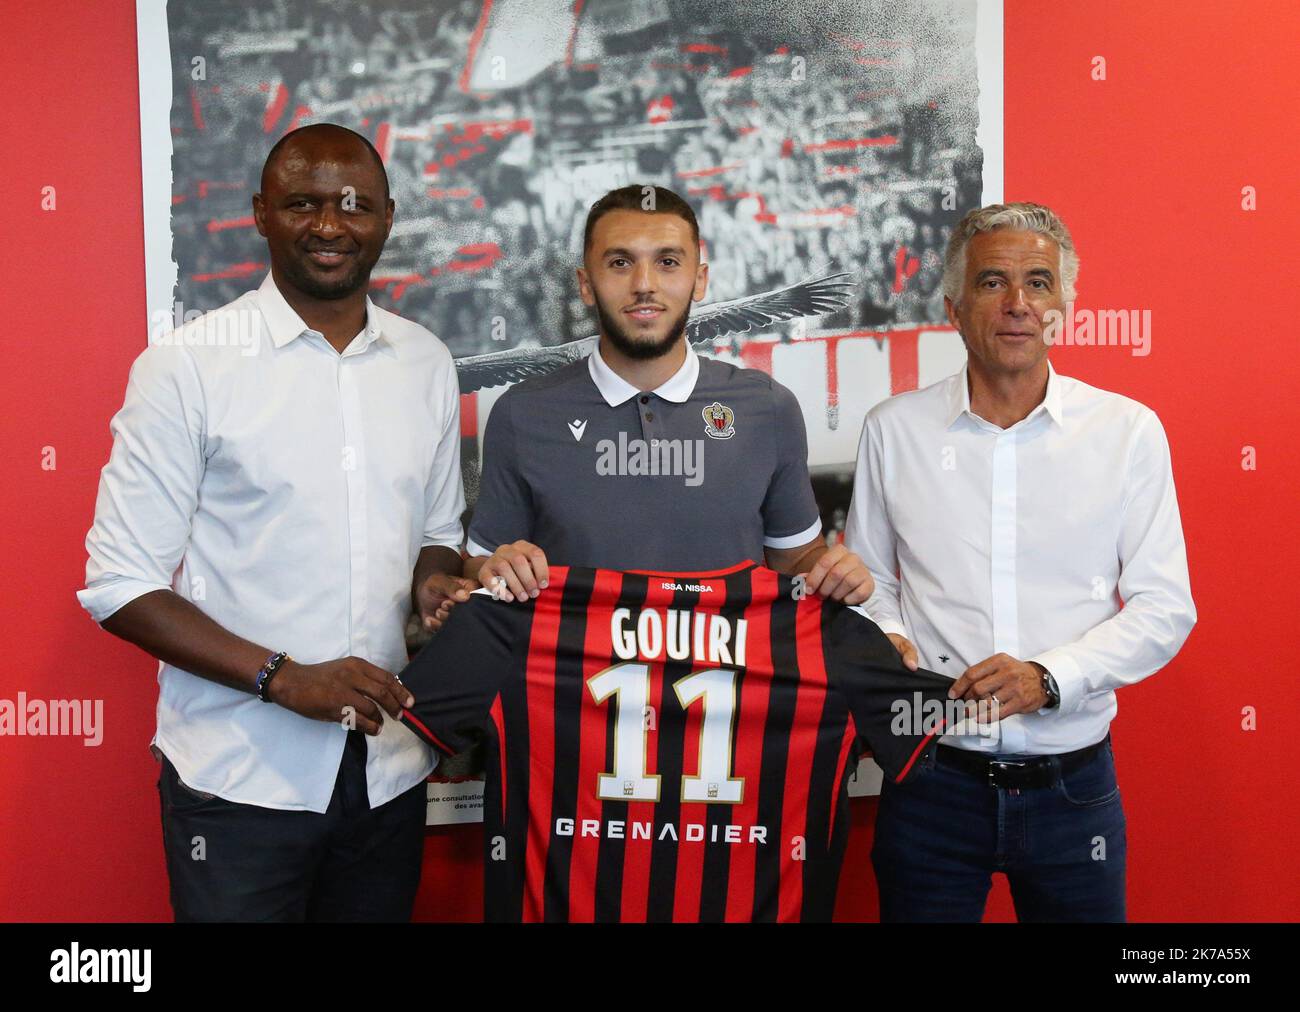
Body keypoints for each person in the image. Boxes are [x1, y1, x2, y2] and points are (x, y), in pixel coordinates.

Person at [77, 124, 469, 922]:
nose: (330, 225)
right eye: (303, 204)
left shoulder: (426, 362)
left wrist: (434, 583)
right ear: (262, 213)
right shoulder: (186, 367)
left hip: (389, 771)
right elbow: (119, 585)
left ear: (387, 217)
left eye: (354, 205)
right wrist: (283, 677)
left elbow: (438, 530)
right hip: (238, 781)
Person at [844, 202, 1196, 922]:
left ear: (1065, 305)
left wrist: (1048, 678)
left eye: (1039, 283)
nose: (1017, 304)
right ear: (953, 306)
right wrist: (886, 635)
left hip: (1074, 791)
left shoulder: (1126, 432)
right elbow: (869, 583)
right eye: (992, 283)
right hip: (929, 782)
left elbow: (1167, 608)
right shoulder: (894, 432)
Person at [451, 184, 875, 603]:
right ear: (585, 284)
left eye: (668, 262)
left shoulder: (769, 408)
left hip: (728, 670)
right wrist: (496, 570)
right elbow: (480, 567)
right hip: (573, 673)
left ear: (700, 279)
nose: (644, 284)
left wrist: (833, 574)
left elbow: (797, 559)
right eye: (620, 262)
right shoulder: (521, 414)